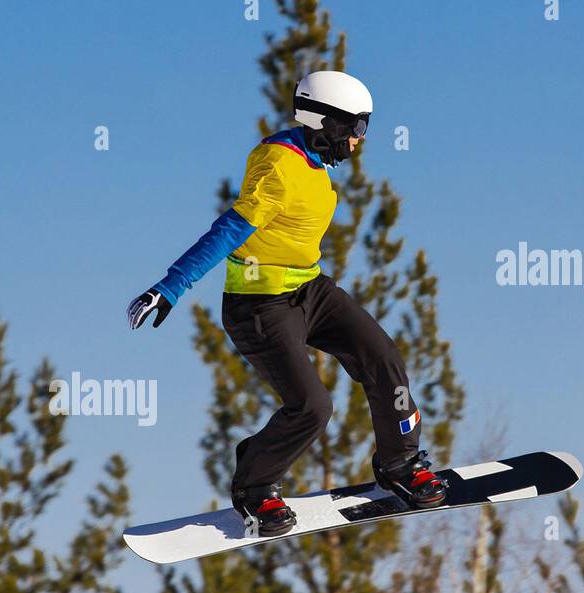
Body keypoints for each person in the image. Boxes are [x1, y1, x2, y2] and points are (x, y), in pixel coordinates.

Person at [127, 70, 447, 538]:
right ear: (324, 122)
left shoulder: (315, 161)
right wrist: (172, 285)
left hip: (311, 290)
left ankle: (399, 461)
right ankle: (254, 486)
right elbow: (231, 230)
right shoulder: (278, 165)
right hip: (260, 305)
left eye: (365, 128)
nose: (360, 140)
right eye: (355, 127)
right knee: (312, 407)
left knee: (383, 358)